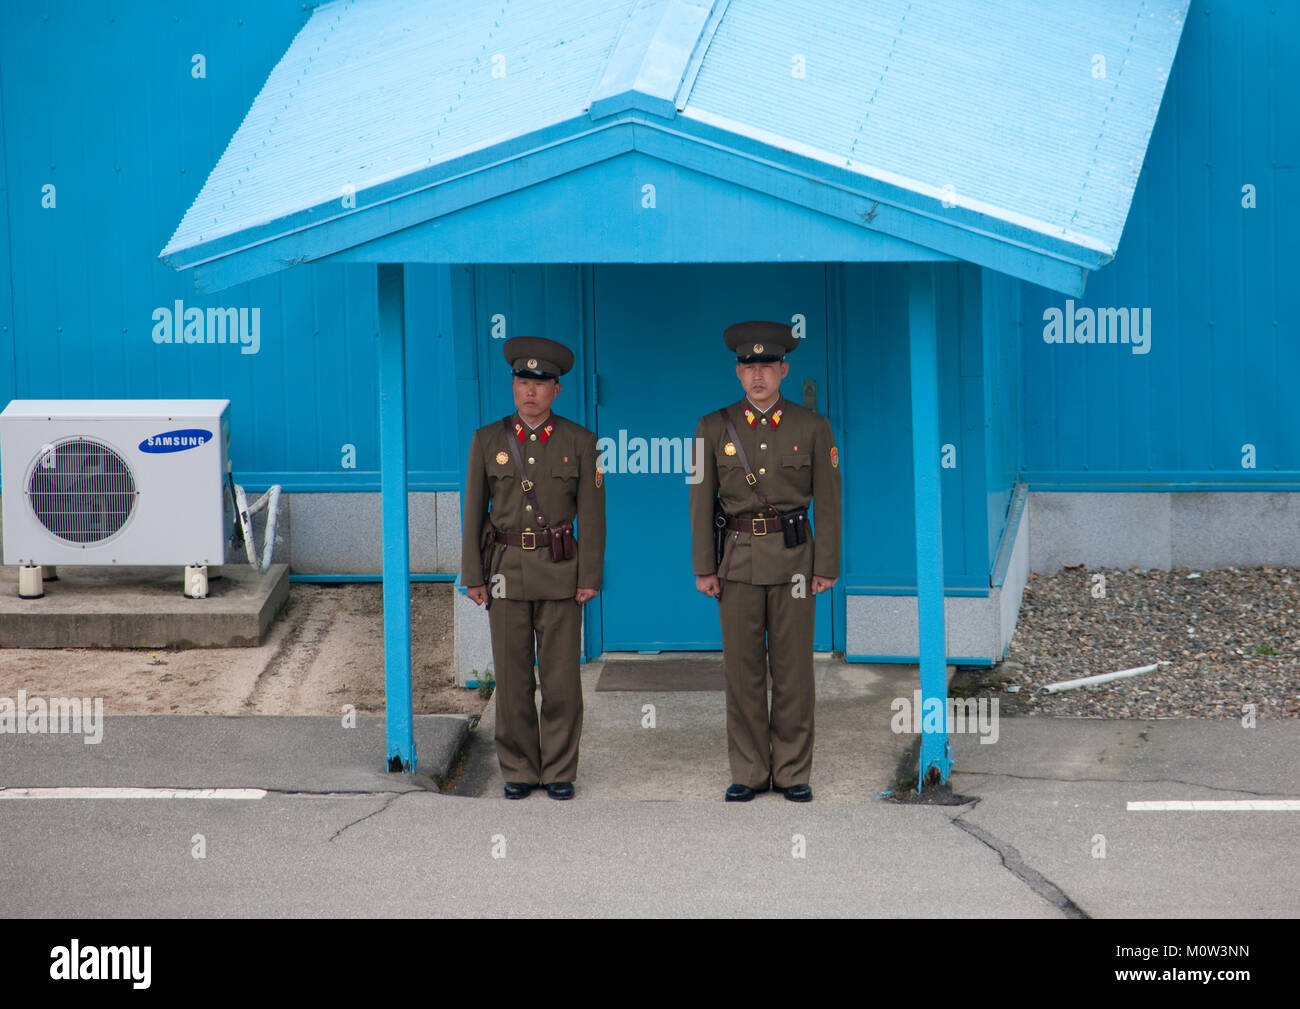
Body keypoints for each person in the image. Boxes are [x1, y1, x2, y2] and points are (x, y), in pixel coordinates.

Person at [689, 321, 842, 802]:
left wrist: (826, 565)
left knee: (794, 670)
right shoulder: (711, 428)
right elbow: (699, 503)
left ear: (784, 370)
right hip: (736, 562)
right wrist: (704, 567)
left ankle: (793, 771)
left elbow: (829, 502)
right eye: (749, 366)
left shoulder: (812, 427)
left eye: (768, 366)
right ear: (738, 372)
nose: (758, 376)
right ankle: (750, 771)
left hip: (795, 561)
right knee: (743, 672)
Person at [460, 336, 605, 800]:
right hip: (504, 572)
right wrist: (473, 576)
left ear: (556, 390)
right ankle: (520, 769)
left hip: (560, 573)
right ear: (513, 386)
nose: (530, 391)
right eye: (522, 381)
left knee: (561, 680)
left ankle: (559, 769)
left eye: (540, 384)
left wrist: (589, 577)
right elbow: (473, 513)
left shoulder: (581, 442)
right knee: (513, 679)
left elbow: (593, 516)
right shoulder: (488, 440)